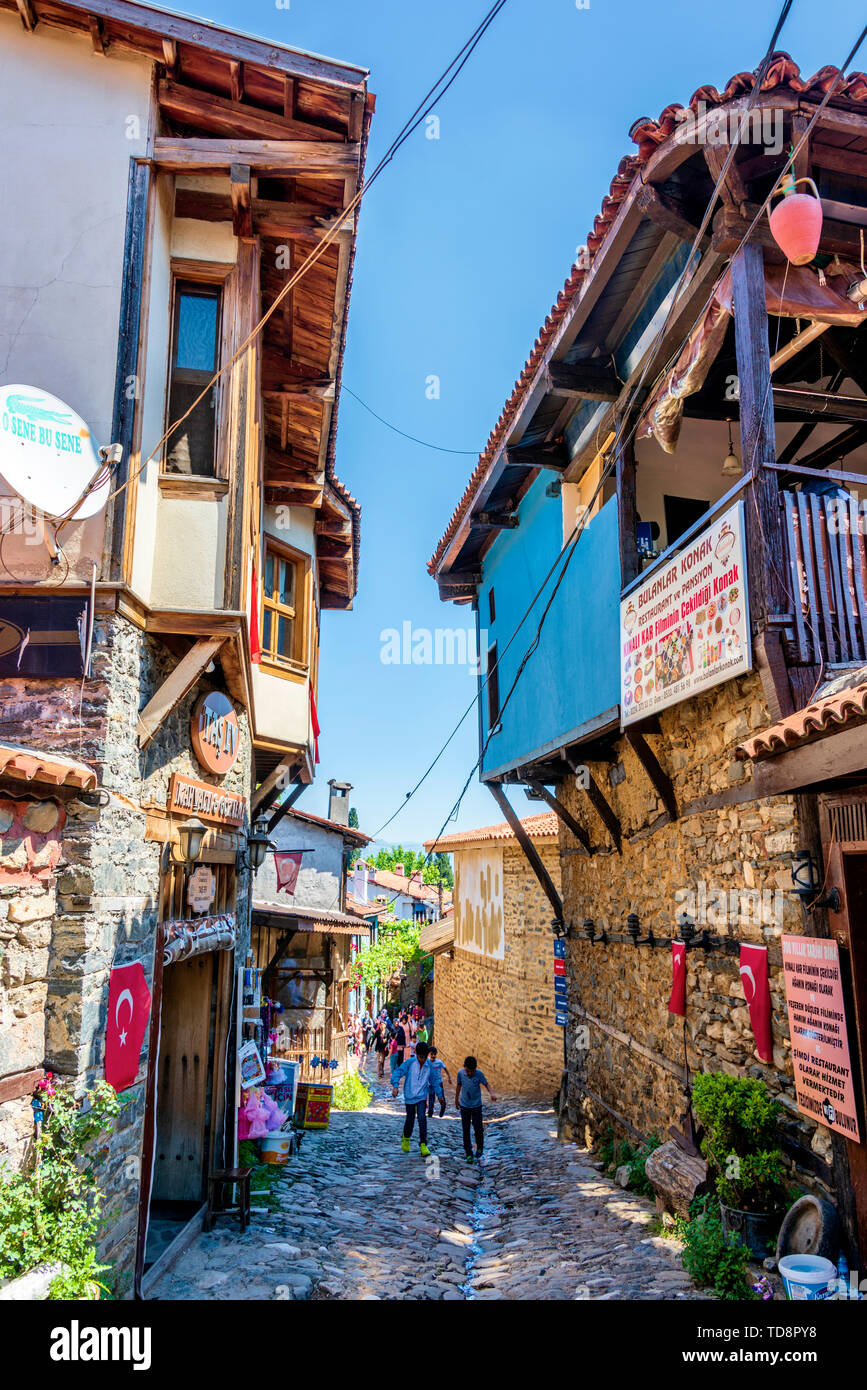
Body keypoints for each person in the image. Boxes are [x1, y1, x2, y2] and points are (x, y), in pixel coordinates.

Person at [391, 1040, 433, 1157]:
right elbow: (397, 1073)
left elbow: (435, 1080)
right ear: (416, 1054)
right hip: (410, 1095)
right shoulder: (409, 1063)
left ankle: (423, 1144)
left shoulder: (429, 1065)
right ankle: (406, 1137)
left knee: (421, 1118)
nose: (422, 1060)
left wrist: (440, 1095)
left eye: (424, 1057)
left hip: (421, 1096)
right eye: (420, 1057)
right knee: (410, 1119)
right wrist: (395, 1086)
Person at [455, 1055, 497, 1163]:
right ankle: (468, 1153)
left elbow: (486, 1084)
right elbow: (459, 1086)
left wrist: (492, 1093)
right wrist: (456, 1100)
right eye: (468, 1071)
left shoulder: (479, 1074)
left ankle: (479, 1147)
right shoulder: (460, 1073)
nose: (469, 1073)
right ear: (464, 1067)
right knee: (466, 1129)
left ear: (475, 1069)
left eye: (472, 1071)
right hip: (464, 1106)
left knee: (478, 1129)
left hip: (476, 1106)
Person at [426, 1046, 451, 1118]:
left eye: (434, 1054)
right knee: (431, 1099)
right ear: (428, 1054)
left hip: (439, 1083)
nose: (433, 1056)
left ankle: (442, 1110)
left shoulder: (439, 1062)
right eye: (431, 1054)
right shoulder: (426, 1062)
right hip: (430, 1084)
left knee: (441, 1098)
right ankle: (430, 1114)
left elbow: (445, 1069)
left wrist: (449, 1077)